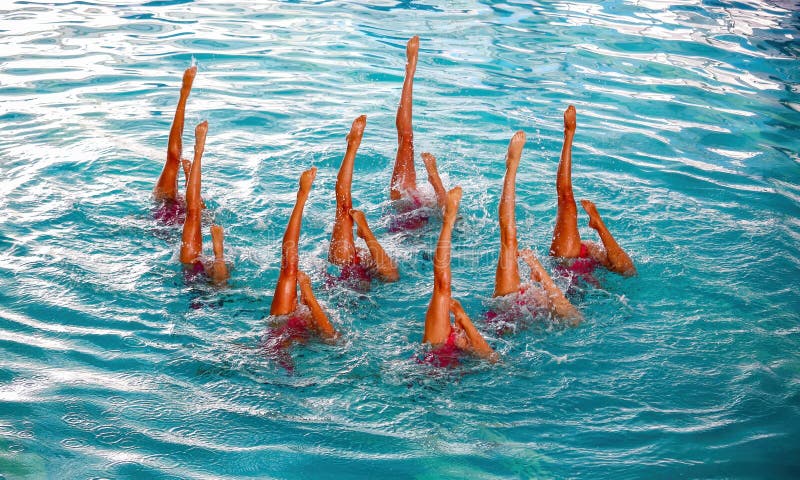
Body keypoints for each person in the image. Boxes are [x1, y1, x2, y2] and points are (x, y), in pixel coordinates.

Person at [487, 131, 581, 330]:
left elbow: (574, 319)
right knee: (509, 240)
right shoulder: (548, 300)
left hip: (506, 305)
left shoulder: (549, 304)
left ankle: (511, 169)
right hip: (504, 312)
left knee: (509, 242)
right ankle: (511, 168)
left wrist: (536, 267)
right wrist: (535, 268)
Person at [550, 105, 636, 279]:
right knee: (566, 200)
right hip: (573, 265)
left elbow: (628, 272)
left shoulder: (586, 251)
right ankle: (598, 224)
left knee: (628, 271)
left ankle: (598, 224)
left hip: (568, 265)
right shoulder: (587, 250)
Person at [266, 167, 338, 371]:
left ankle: (301, 198)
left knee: (289, 270)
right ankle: (301, 198)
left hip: (283, 346)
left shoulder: (296, 317)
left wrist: (307, 293)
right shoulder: (302, 317)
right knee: (289, 268)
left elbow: (332, 340)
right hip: (279, 351)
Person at [421, 186, 497, 367]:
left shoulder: (456, 343)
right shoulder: (447, 340)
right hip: (433, 362)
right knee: (442, 286)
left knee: (442, 287)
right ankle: (448, 221)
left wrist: (462, 317)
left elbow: (493, 360)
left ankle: (449, 221)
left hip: (432, 374)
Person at [328, 116, 399, 287]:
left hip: (343, 271)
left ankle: (352, 147)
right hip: (352, 280)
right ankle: (365, 232)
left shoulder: (350, 259)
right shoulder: (360, 259)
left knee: (344, 208)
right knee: (391, 277)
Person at [387, 36, 449, 230]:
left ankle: (410, 73)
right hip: (413, 210)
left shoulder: (405, 197)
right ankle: (410, 72)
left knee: (406, 140)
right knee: (406, 140)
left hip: (405, 208)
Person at [178, 121, 230, 286]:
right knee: (193, 213)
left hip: (192, 269)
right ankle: (219, 255)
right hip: (192, 271)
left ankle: (198, 153)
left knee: (193, 213)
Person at [153, 66, 196, 224]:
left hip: (163, 205)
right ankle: (183, 95)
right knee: (194, 211)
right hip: (178, 214)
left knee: (173, 160)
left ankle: (183, 96)